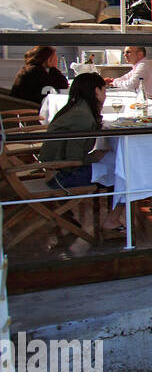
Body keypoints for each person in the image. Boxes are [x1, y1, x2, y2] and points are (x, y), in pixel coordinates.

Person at [39, 72, 111, 255]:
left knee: (112, 164)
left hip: (54, 170)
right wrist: (96, 156)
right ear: (96, 91)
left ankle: (112, 221)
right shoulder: (83, 116)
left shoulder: (77, 109)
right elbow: (74, 159)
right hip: (61, 176)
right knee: (119, 170)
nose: (106, 93)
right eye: (104, 89)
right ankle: (114, 221)